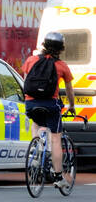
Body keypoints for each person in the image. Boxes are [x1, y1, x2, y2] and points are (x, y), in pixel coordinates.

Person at [22, 32, 77, 188]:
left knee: (36, 121)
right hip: (51, 105)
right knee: (55, 138)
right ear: (61, 49)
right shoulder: (61, 66)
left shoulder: (31, 60)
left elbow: (26, 82)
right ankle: (59, 177)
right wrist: (71, 106)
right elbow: (69, 90)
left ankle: (37, 145)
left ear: (44, 45)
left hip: (31, 104)